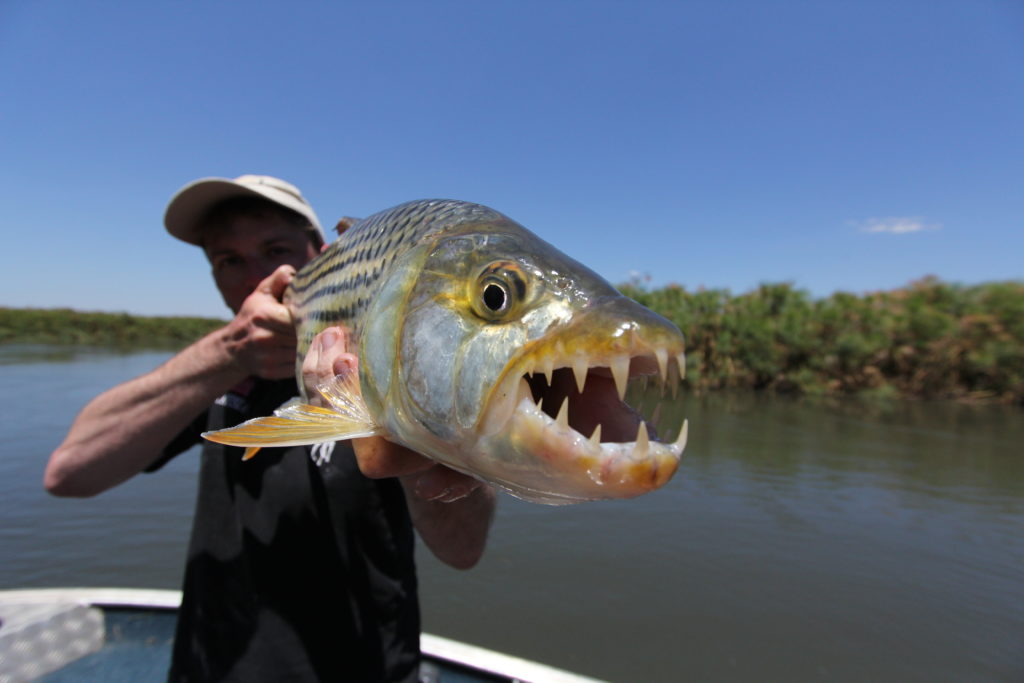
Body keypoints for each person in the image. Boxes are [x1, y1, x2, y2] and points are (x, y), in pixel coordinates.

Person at [44, 174, 497, 682]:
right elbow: (69, 473)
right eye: (228, 260)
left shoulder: (384, 359)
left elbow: (463, 550)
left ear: (323, 254)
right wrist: (225, 355)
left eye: (274, 249)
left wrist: (417, 451)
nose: (254, 273)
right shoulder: (215, 368)